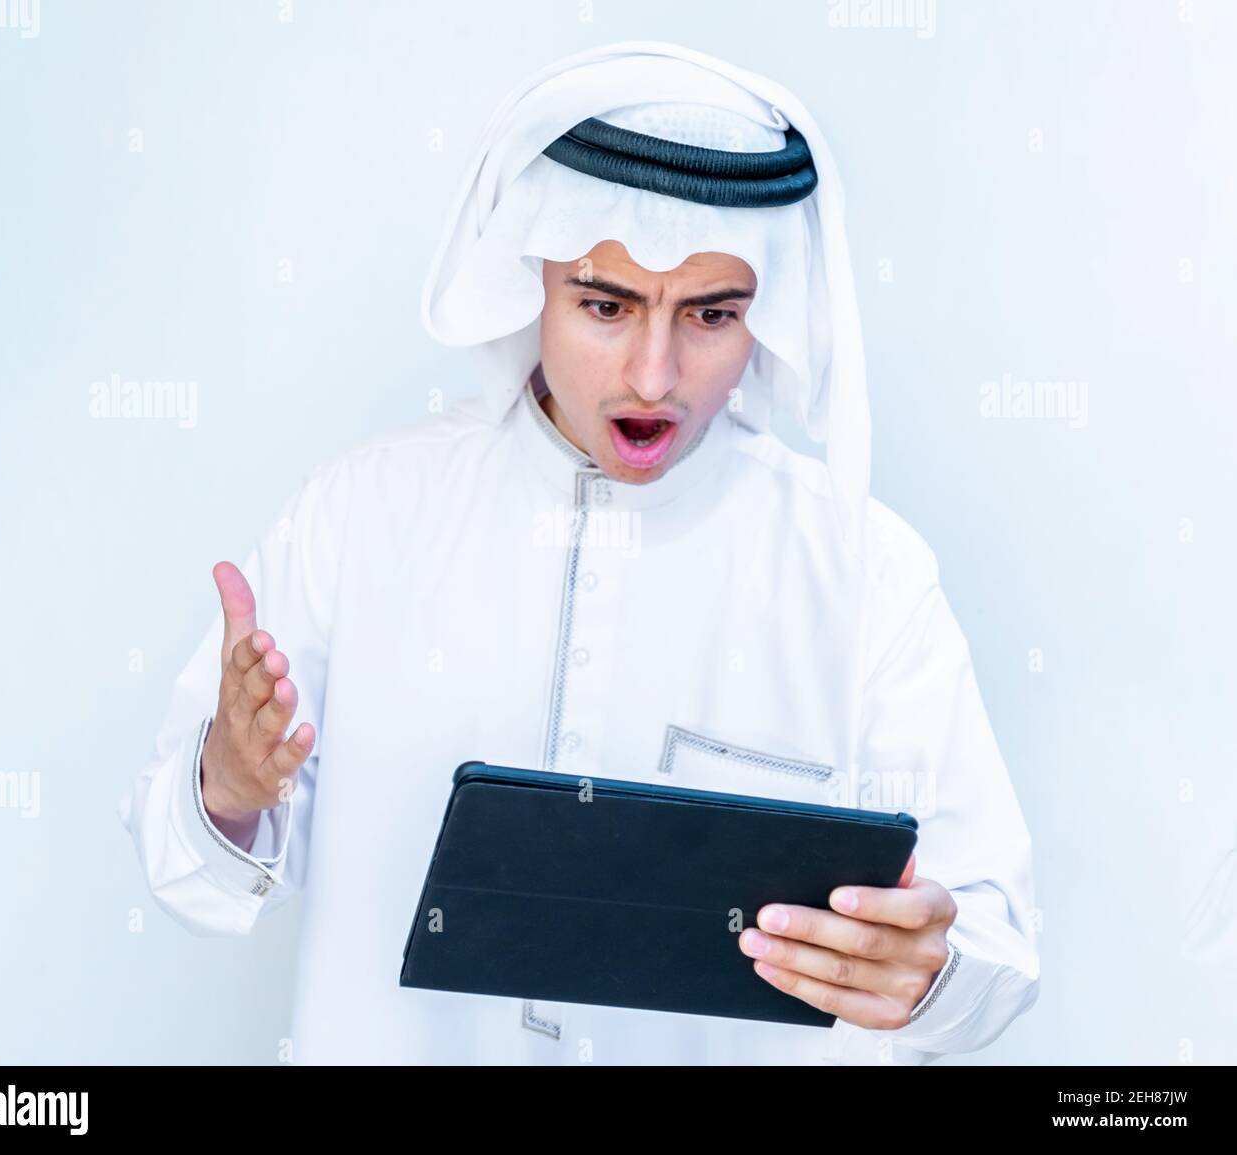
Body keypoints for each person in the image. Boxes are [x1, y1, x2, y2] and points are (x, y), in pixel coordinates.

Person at [117, 40, 1040, 1064]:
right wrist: (229, 789)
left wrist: (929, 976)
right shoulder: (360, 516)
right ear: (537, 280)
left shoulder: (864, 574)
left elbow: (994, 950)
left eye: (710, 314)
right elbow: (186, 875)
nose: (655, 374)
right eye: (607, 306)